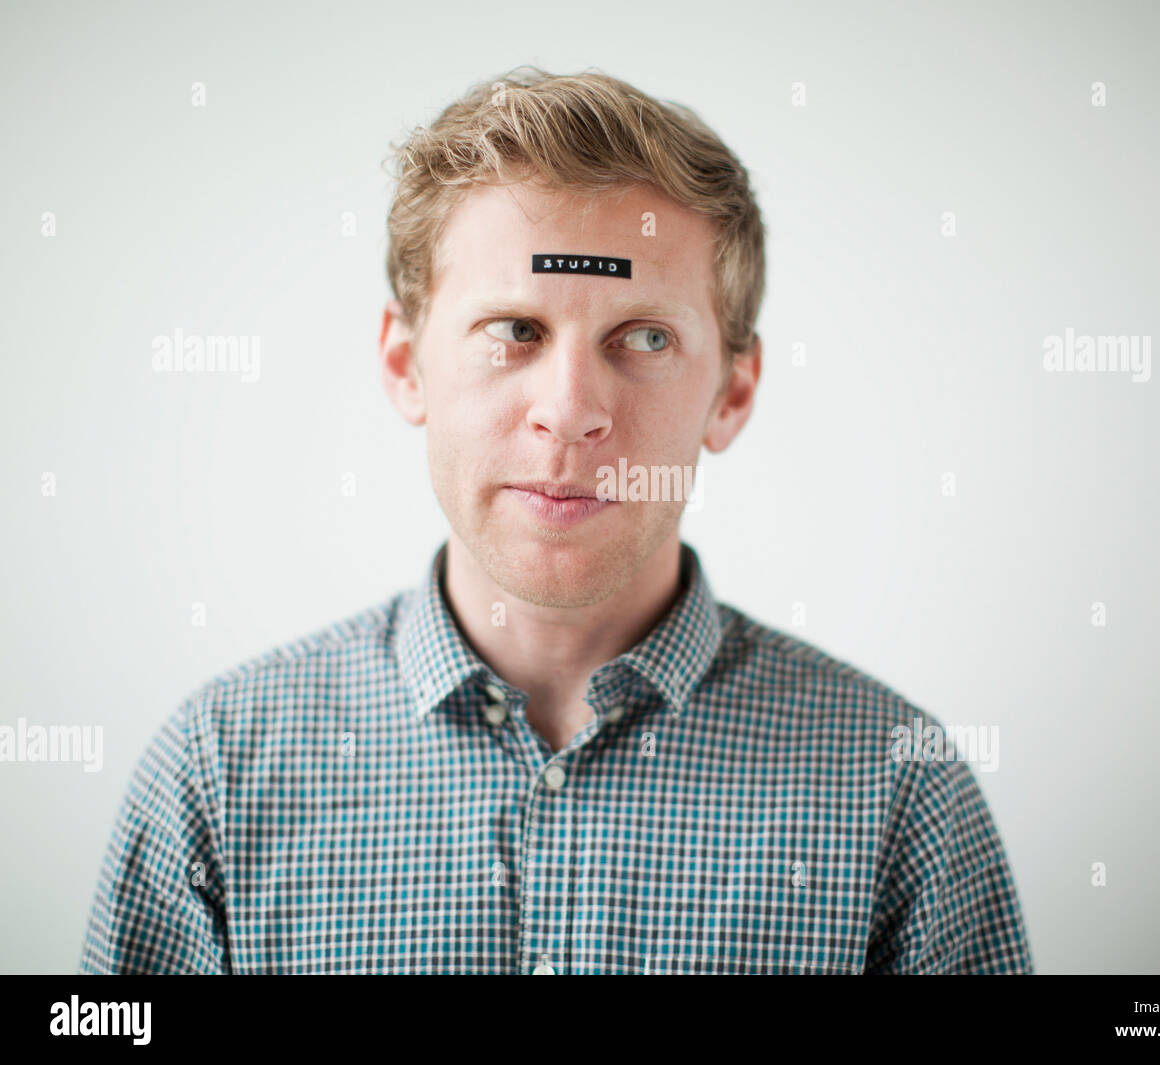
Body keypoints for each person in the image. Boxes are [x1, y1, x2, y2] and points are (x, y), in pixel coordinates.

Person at [79, 66, 1032, 975]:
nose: (570, 409)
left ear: (733, 391)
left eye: (645, 337)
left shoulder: (898, 790)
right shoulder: (217, 770)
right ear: (407, 364)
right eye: (515, 331)